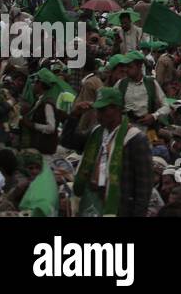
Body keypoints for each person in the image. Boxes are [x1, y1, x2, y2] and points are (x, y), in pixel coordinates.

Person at [64, 87, 153, 217]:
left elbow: (143, 185)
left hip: (119, 206)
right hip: (91, 200)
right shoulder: (96, 132)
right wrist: (75, 115)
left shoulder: (135, 138)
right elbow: (67, 141)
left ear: (117, 109)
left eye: (103, 110)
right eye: (97, 110)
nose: (98, 115)